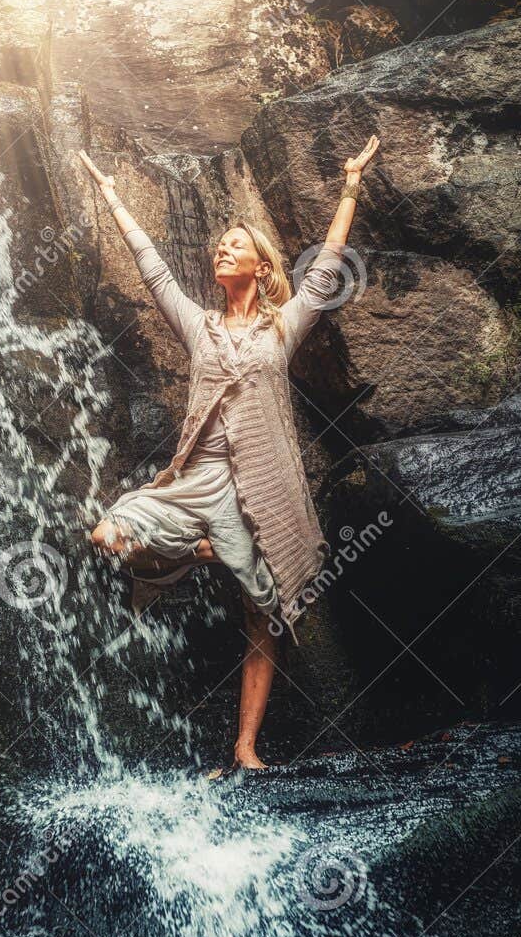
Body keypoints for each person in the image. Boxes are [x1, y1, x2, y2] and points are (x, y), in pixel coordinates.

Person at [82, 136, 379, 771]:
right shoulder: (198, 326)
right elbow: (153, 269)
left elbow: (326, 267)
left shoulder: (283, 325)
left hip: (259, 488)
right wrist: (112, 200)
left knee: (263, 616)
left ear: (261, 267)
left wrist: (350, 186)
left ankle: (246, 746)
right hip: (200, 479)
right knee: (107, 534)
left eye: (234, 246)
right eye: (219, 246)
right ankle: (202, 550)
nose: (221, 250)